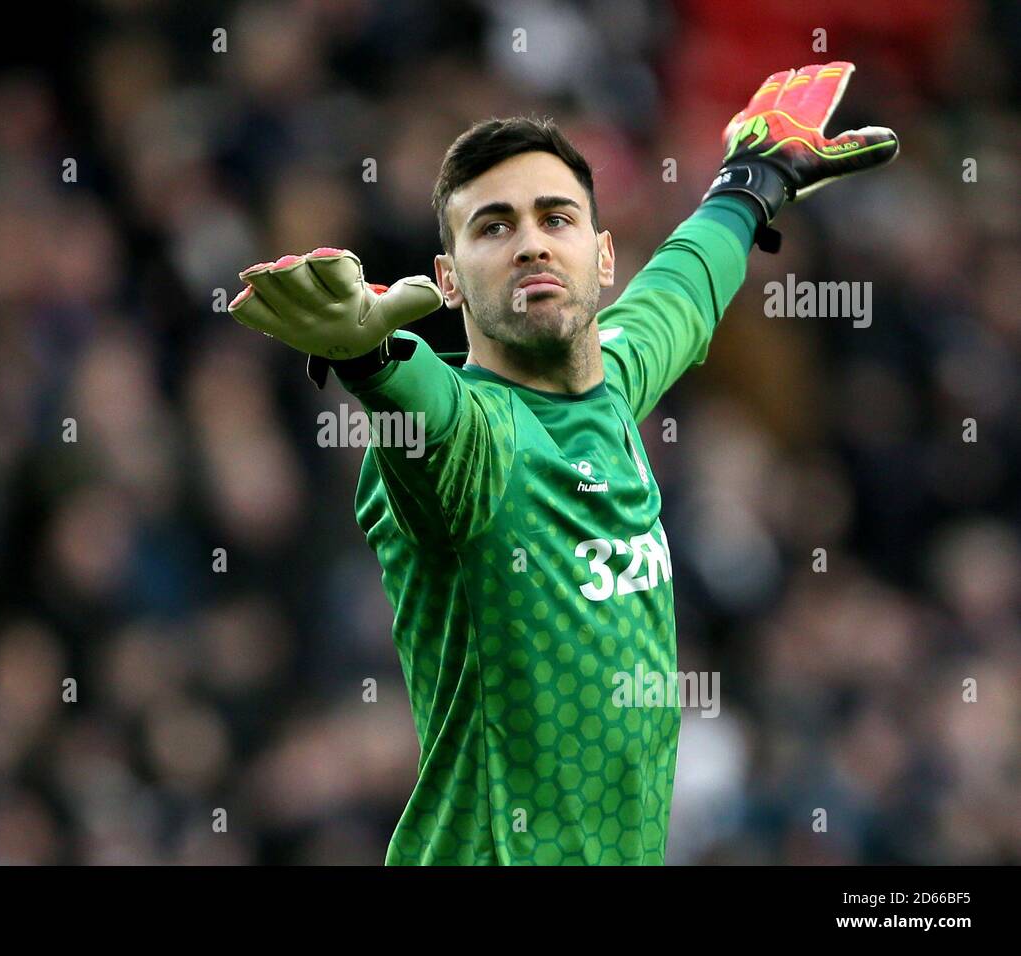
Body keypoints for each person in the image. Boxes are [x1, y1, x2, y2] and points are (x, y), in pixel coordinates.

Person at [229, 62, 898, 865]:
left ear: (603, 256)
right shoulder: (475, 439)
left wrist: (752, 183)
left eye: (557, 218)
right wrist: (370, 358)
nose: (532, 244)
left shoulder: (612, 386)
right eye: (493, 227)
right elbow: (428, 413)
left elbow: (682, 293)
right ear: (448, 281)